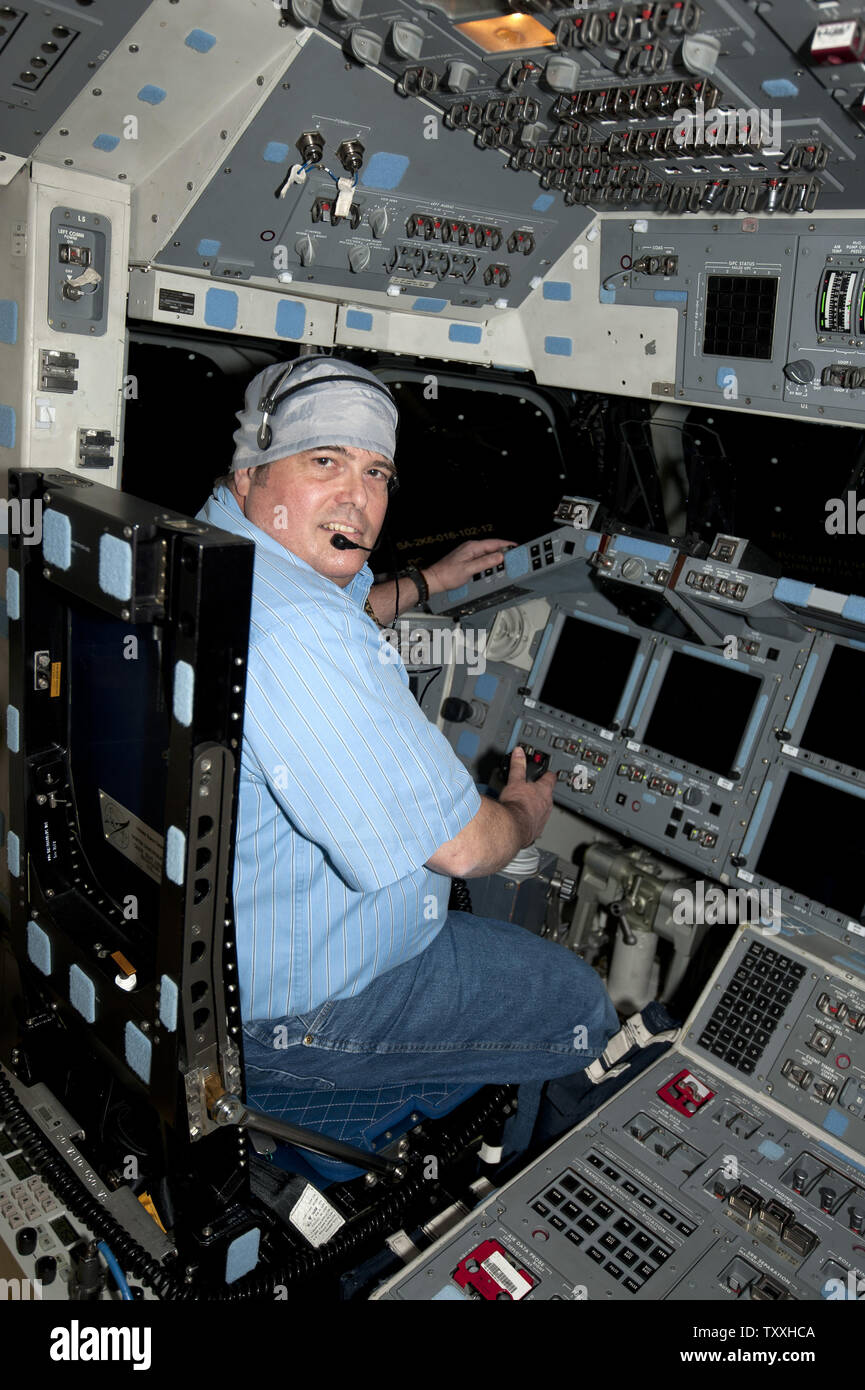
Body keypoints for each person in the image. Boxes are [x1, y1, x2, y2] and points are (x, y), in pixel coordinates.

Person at [196, 354, 618, 1117]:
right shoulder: (299, 634)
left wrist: (428, 584)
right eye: (324, 460)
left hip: (217, 971)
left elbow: (315, 621)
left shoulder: (212, 553)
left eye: (377, 473)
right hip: (300, 1018)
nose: (356, 499)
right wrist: (522, 813)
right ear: (250, 469)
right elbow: (461, 850)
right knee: (580, 1006)